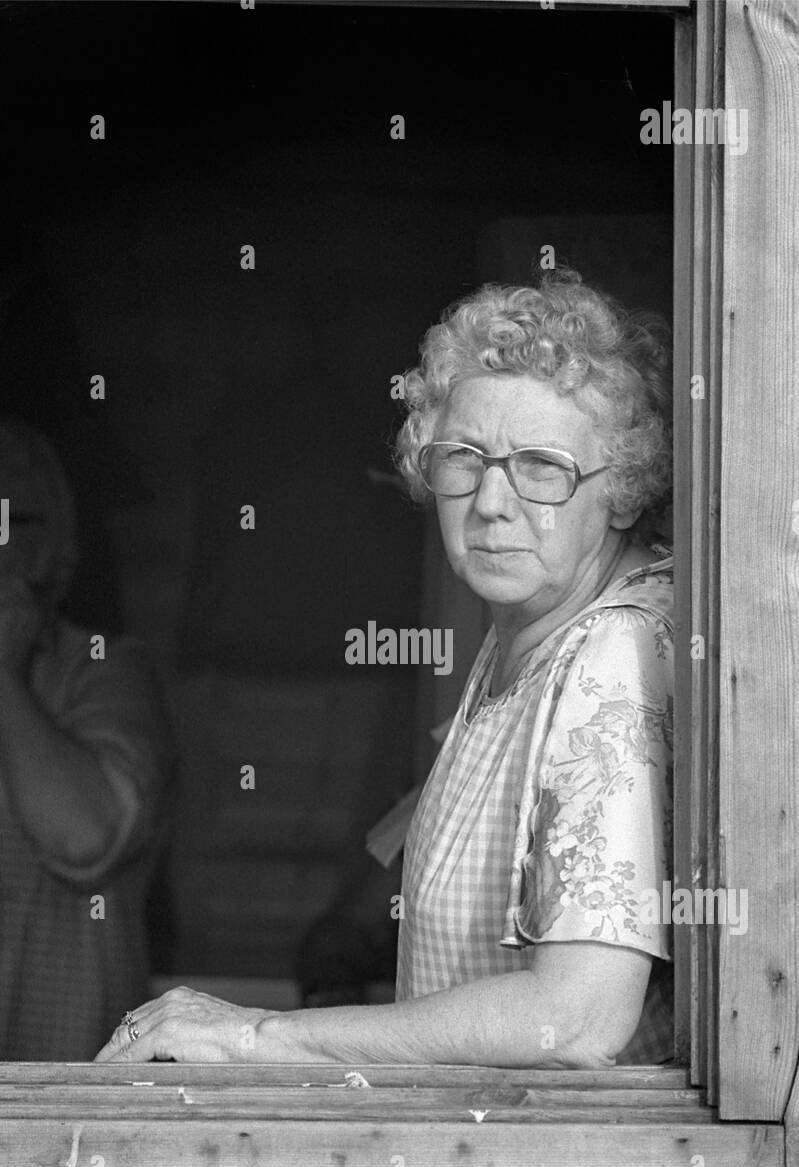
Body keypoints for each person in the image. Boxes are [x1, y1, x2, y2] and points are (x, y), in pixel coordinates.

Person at [96, 267, 674, 1069]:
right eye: (463, 458)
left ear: (621, 489)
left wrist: (257, 1037)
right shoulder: (529, 628)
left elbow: (575, 1018)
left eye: (542, 466)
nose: (492, 502)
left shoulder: (609, 654)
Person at [0, 419, 175, 1059]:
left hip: (66, 1093)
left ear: (58, 546)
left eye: (12, 518)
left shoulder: (103, 668)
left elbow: (84, 834)